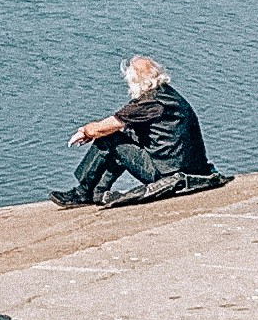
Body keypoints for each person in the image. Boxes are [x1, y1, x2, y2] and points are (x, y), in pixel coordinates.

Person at [50, 54, 231, 208]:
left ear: (135, 81)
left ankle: (83, 192)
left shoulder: (150, 103)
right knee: (123, 137)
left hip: (167, 173)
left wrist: (86, 131)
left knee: (110, 140)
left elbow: (106, 126)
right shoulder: (168, 95)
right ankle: (97, 191)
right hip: (190, 167)